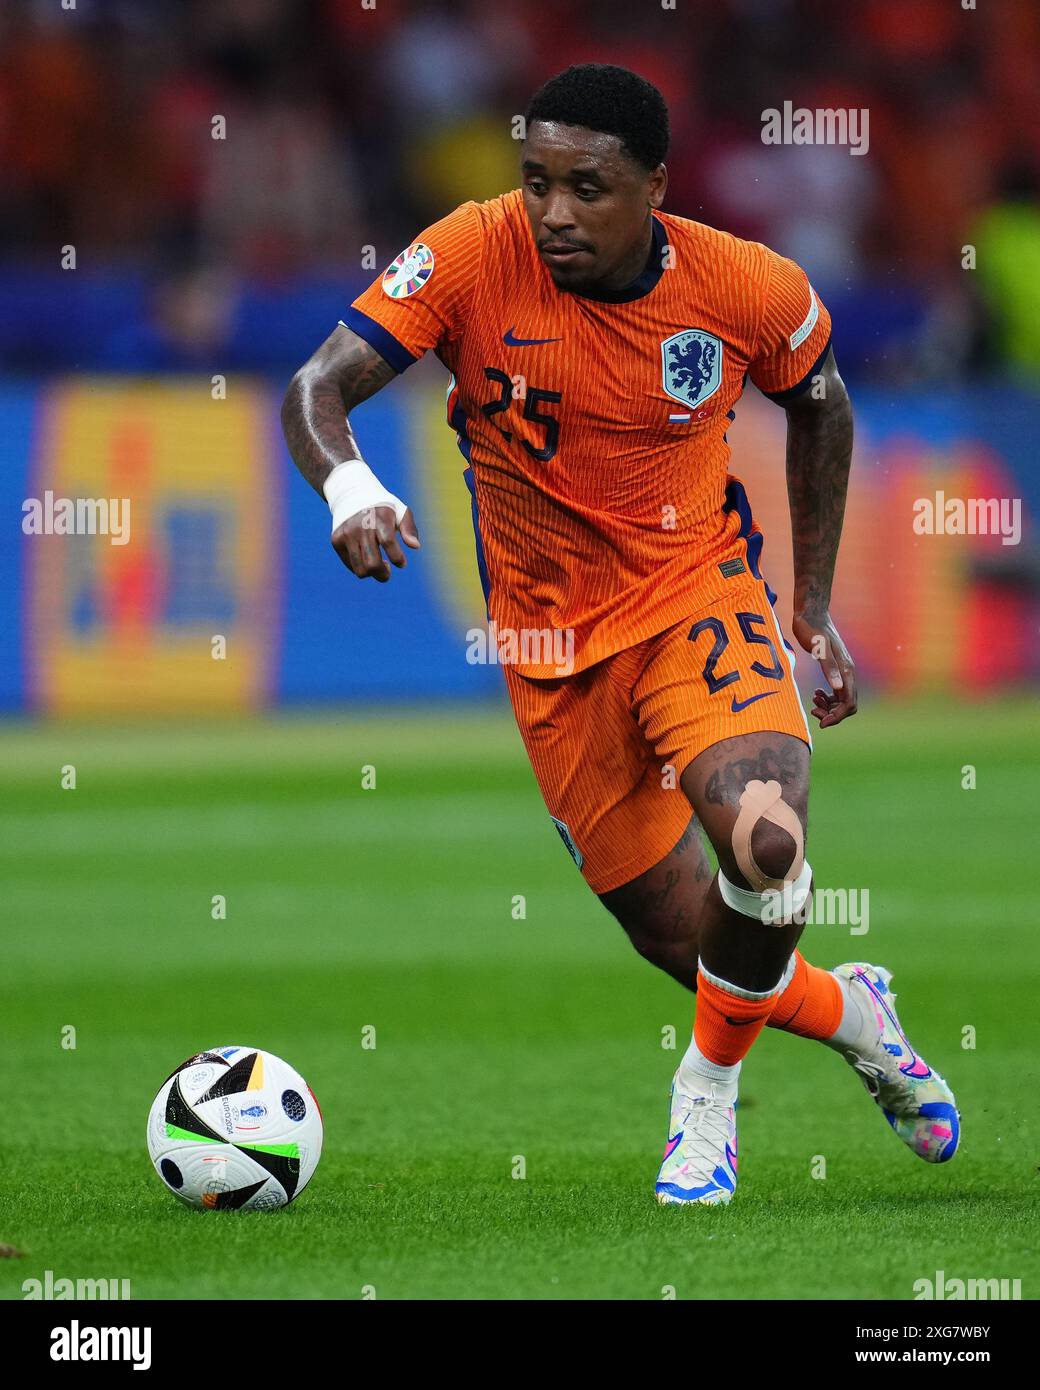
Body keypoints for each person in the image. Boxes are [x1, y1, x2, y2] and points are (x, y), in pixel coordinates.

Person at [281, 64, 959, 1205]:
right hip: (549, 651)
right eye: (536, 180)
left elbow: (822, 401)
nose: (552, 211)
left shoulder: (742, 284)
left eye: (586, 187)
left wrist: (808, 610)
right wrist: (348, 487)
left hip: (696, 596)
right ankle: (853, 1013)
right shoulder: (466, 253)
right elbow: (317, 387)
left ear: (654, 184)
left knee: (763, 846)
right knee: (689, 942)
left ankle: (702, 1105)